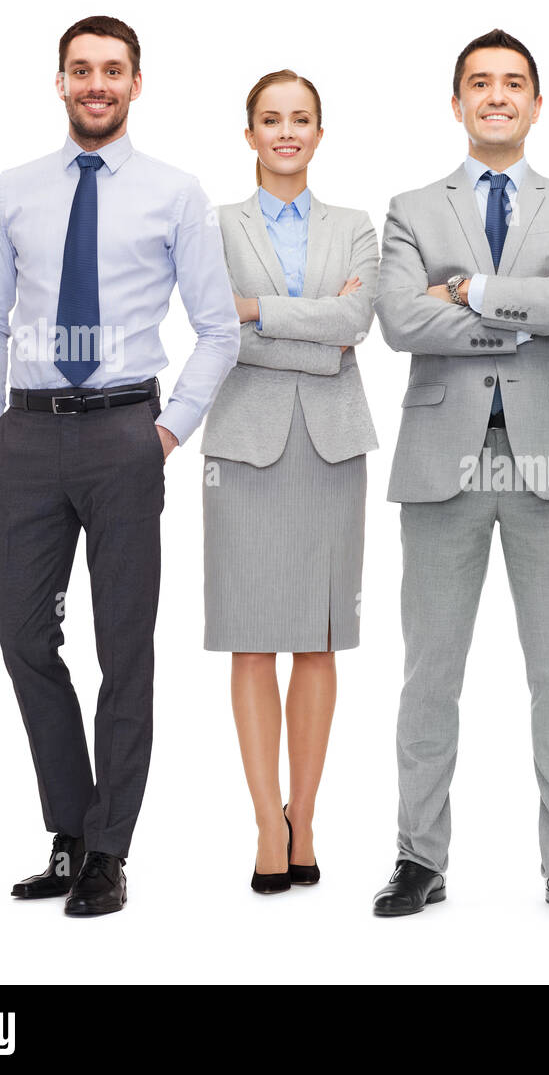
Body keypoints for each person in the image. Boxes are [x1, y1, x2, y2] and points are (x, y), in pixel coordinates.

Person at [0, 15, 240, 916]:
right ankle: (69, 828)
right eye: (81, 70)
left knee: (125, 648)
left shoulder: (175, 192)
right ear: (60, 82)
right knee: (24, 637)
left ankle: (108, 848)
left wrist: (165, 433)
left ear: (135, 83)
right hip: (31, 438)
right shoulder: (16, 190)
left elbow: (217, 327)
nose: (96, 84)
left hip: (125, 434)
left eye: (112, 70)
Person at [370, 28, 549, 919]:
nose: (498, 96)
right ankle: (417, 858)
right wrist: (526, 307)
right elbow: (398, 320)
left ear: (537, 103)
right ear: (458, 102)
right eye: (482, 84)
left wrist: (467, 291)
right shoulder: (409, 205)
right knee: (430, 673)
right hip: (444, 463)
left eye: (514, 84)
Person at [200, 70, 378, 894]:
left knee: (317, 635)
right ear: (249, 135)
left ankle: (304, 818)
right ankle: (262, 820)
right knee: (250, 634)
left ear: (318, 132)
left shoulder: (356, 227)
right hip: (243, 445)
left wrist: (259, 309)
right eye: (270, 119)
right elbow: (216, 330)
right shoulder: (214, 227)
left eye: (299, 119)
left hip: (332, 445)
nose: (285, 132)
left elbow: (358, 324)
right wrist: (315, 331)